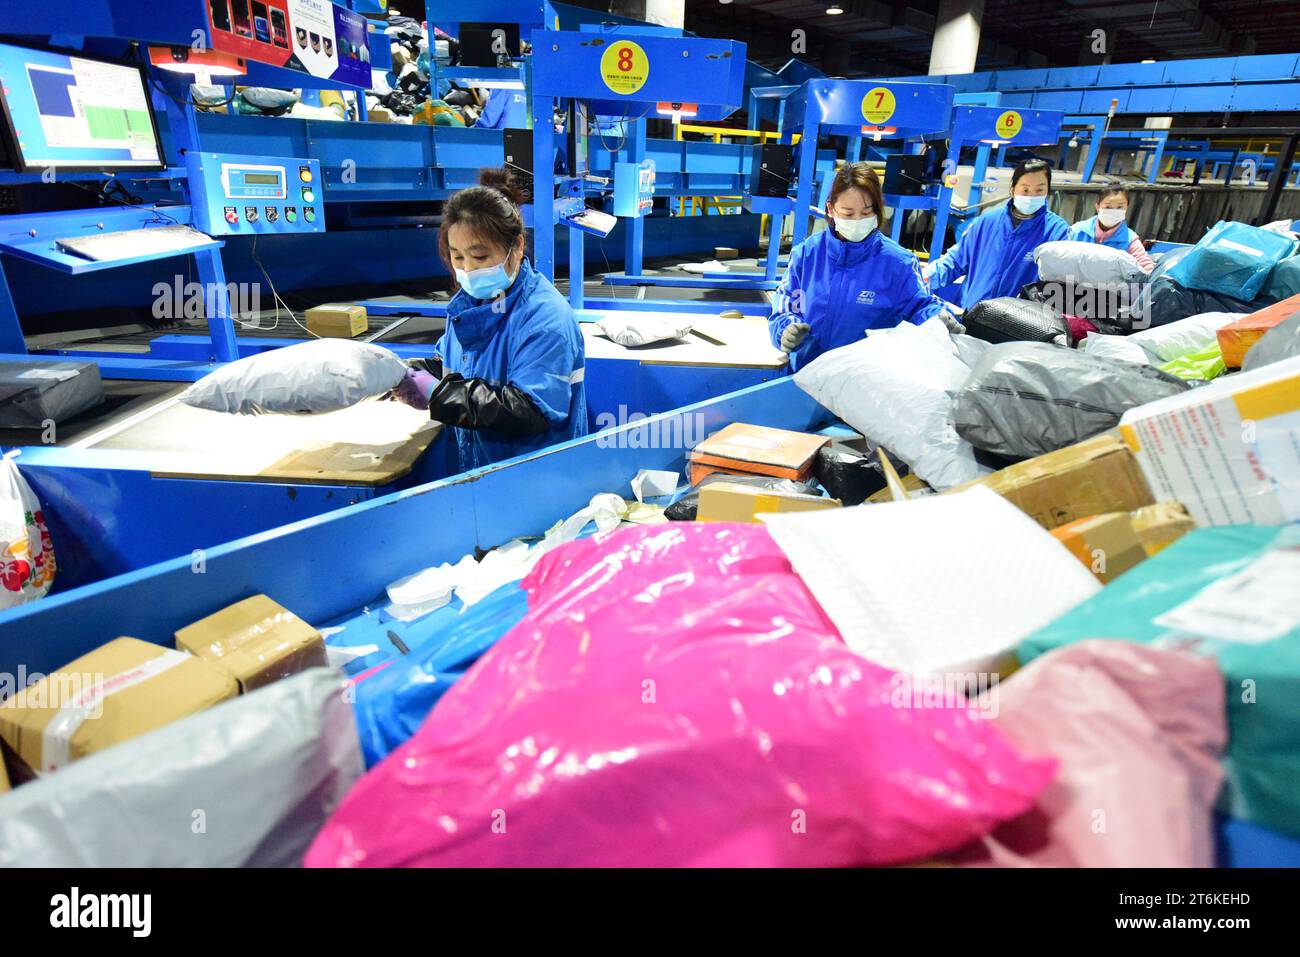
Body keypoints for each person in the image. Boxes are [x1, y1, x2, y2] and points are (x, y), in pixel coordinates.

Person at [392, 168, 588, 471]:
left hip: (532, 481)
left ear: (518, 246)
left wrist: (438, 394)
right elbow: (456, 367)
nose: (468, 269)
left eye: (480, 257)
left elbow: (529, 410)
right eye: (457, 257)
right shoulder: (467, 306)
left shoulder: (544, 317)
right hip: (479, 475)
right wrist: (404, 372)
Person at [768, 162, 954, 372]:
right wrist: (786, 330)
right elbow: (787, 307)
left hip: (865, 387)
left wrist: (938, 318)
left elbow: (920, 306)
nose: (858, 220)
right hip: (806, 376)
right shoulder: (807, 255)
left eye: (867, 212)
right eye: (848, 213)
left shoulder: (898, 263)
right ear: (830, 209)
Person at [923, 158, 1070, 309]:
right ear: (1012, 189)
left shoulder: (1056, 231)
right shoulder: (986, 221)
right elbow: (956, 260)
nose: (1031, 195)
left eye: (1039, 190)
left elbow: (1057, 285)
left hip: (1019, 325)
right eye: (1025, 189)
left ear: (1048, 191)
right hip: (971, 314)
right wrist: (926, 276)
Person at [1068, 185, 1156, 273]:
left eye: (1120, 207)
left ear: (1127, 208)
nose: (1114, 212)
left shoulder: (1130, 240)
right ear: (1097, 207)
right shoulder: (1077, 231)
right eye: (1108, 207)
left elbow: (1147, 269)